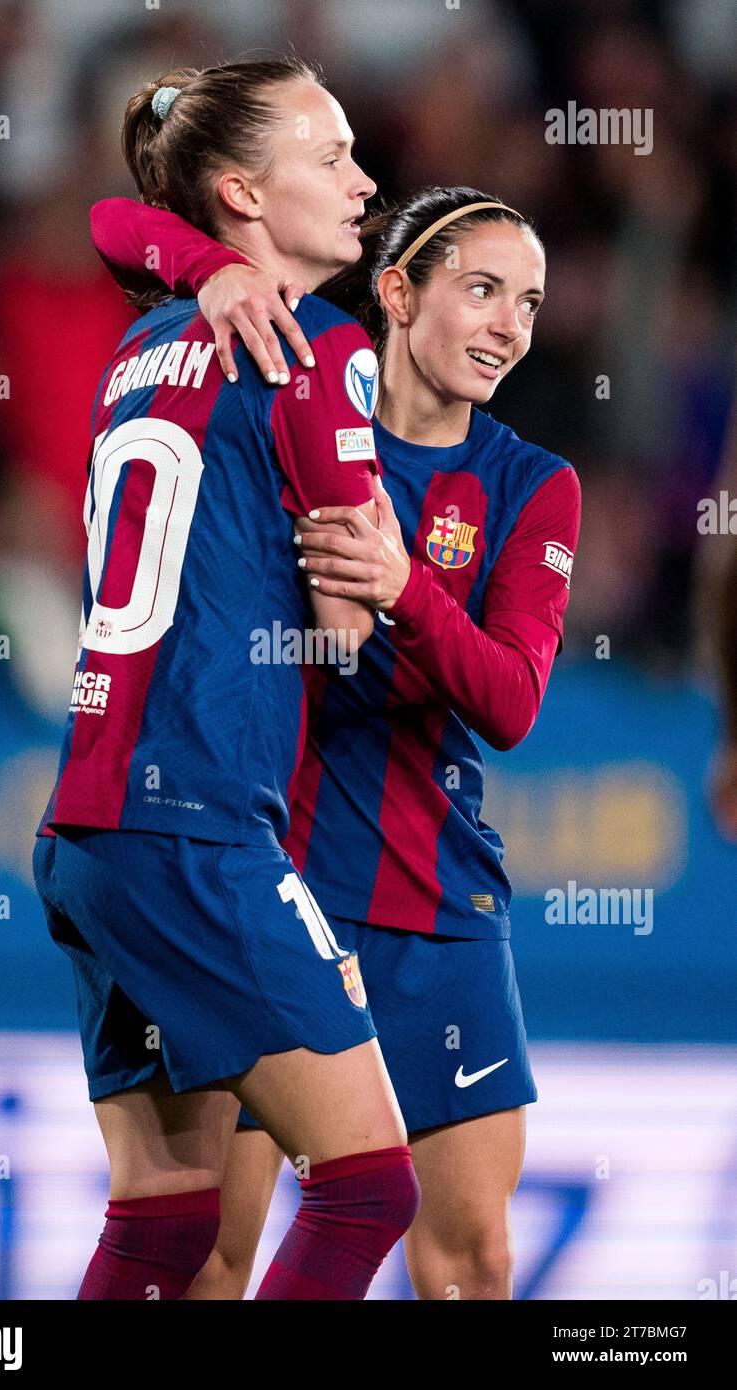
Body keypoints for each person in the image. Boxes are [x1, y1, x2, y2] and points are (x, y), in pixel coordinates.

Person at [90, 181, 582, 1299]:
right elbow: (117, 220)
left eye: (531, 302)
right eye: (482, 289)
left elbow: (508, 701)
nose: (510, 324)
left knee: (468, 1262)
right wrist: (214, 268)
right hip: (266, 883)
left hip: (431, 901)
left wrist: (405, 587)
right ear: (397, 292)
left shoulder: (529, 484)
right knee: (215, 1252)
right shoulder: (294, 379)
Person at [33, 57, 422, 1303]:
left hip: (90, 827)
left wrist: (196, 260)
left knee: (165, 1218)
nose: (365, 180)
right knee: (368, 1185)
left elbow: (115, 220)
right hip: (198, 823)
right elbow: (343, 627)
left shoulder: (147, 335)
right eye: (333, 157)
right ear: (245, 193)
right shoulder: (319, 349)